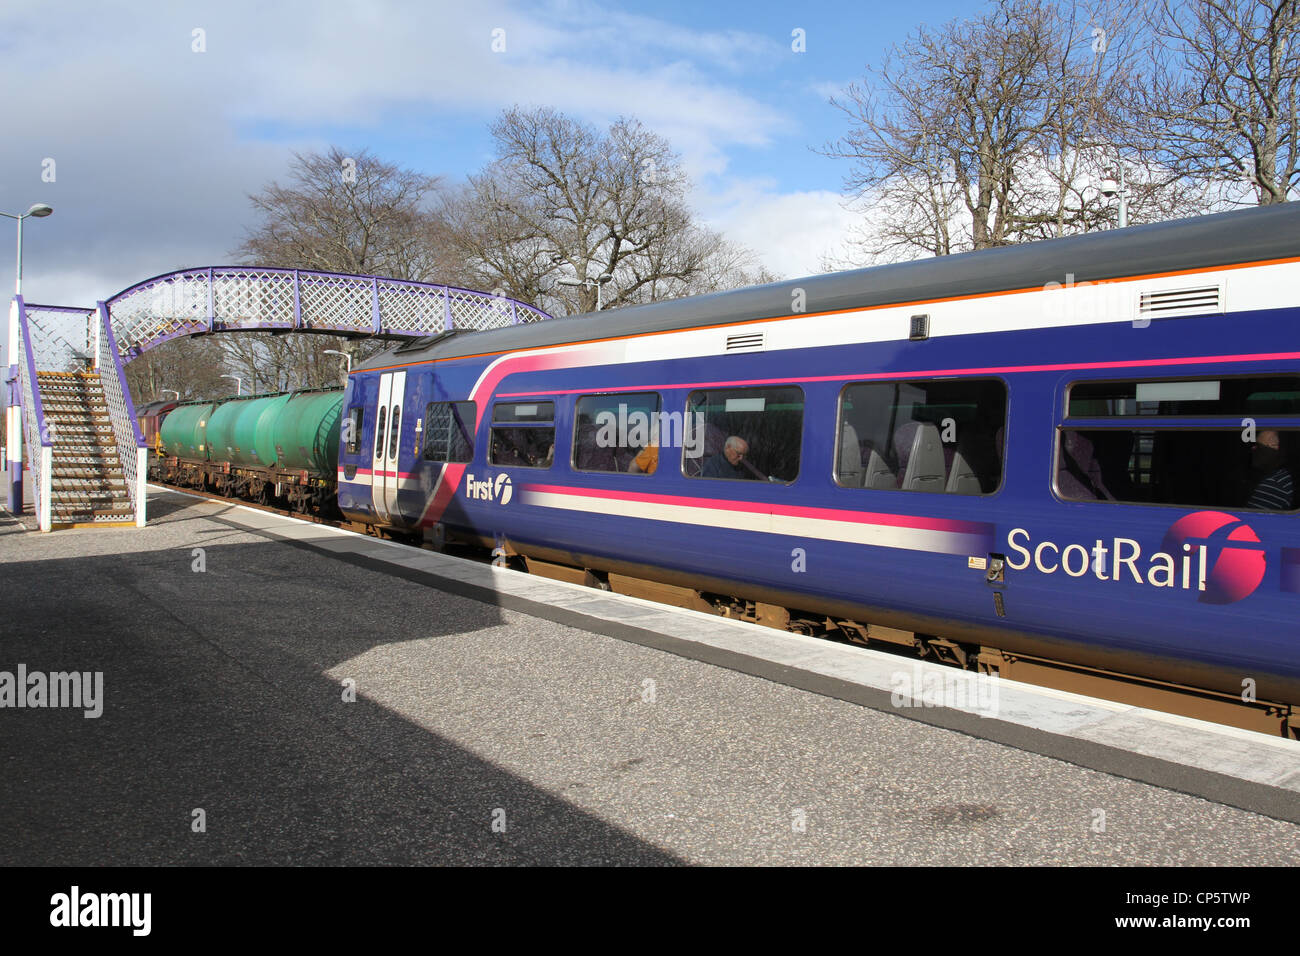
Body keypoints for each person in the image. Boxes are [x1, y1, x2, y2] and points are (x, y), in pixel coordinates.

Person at [1247, 429, 1293, 510]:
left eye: (1260, 446)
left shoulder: (1273, 483)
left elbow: (1253, 520)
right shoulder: (1286, 475)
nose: (1254, 448)